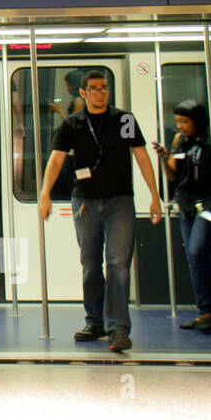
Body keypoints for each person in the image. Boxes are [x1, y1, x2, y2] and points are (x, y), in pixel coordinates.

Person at [38, 70, 162, 353]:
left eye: (104, 88)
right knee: (91, 266)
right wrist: (44, 194)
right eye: (93, 89)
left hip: (120, 202)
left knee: (118, 265)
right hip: (85, 204)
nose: (99, 93)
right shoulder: (72, 124)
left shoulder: (124, 120)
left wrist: (155, 196)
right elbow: (56, 161)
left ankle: (118, 329)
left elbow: (141, 156)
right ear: (83, 93)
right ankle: (95, 322)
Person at [153, 99, 211, 332]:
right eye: (178, 122)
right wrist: (163, 157)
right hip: (187, 204)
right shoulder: (178, 141)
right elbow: (172, 177)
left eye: (185, 122)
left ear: (197, 121)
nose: (180, 126)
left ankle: (209, 309)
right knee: (194, 258)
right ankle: (206, 312)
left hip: (210, 203)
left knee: (197, 250)